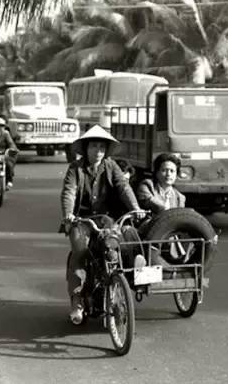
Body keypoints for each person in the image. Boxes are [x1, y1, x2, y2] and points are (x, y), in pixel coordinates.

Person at [60, 125, 146, 325]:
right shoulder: (75, 168)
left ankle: (127, 272)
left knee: (116, 241)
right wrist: (68, 215)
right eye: (93, 147)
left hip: (106, 218)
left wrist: (135, 207)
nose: (98, 151)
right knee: (79, 251)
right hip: (81, 220)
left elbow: (123, 187)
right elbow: (69, 192)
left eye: (101, 147)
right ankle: (77, 300)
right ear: (86, 148)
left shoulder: (111, 166)